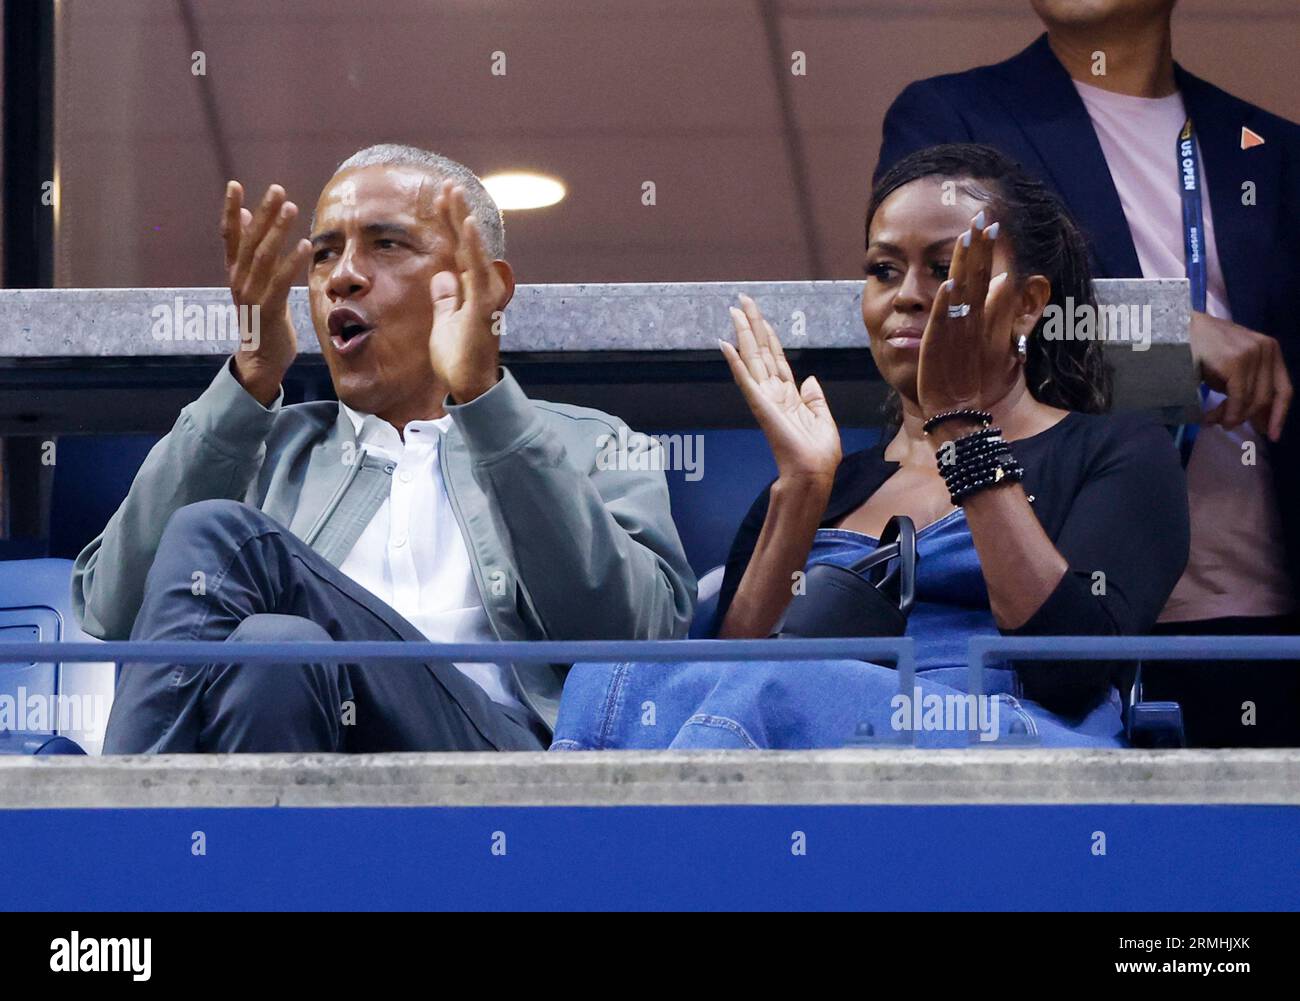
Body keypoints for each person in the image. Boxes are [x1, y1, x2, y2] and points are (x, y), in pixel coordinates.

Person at [552, 144, 1188, 750]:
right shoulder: (838, 479)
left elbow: (1070, 675)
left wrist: (961, 426)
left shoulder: (1116, 450)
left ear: (1026, 306)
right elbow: (723, 675)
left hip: (1007, 746)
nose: (907, 294)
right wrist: (801, 492)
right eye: (884, 270)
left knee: (782, 686)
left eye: (944, 270)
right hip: (802, 742)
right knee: (611, 678)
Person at [74, 144, 695, 754]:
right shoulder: (262, 446)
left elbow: (638, 641)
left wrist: (487, 403)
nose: (341, 275)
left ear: (484, 285)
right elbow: (113, 608)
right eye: (323, 255)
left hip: (495, 771)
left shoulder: (592, 444)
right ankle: (200, 844)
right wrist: (252, 374)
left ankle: (113, 833)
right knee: (278, 652)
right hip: (306, 756)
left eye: (386, 244)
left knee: (220, 536)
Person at [875, 0, 1300, 744]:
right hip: (1050, 583)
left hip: (1254, 606)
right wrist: (1160, 329)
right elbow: (934, 324)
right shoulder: (954, 113)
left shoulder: (1268, 148)